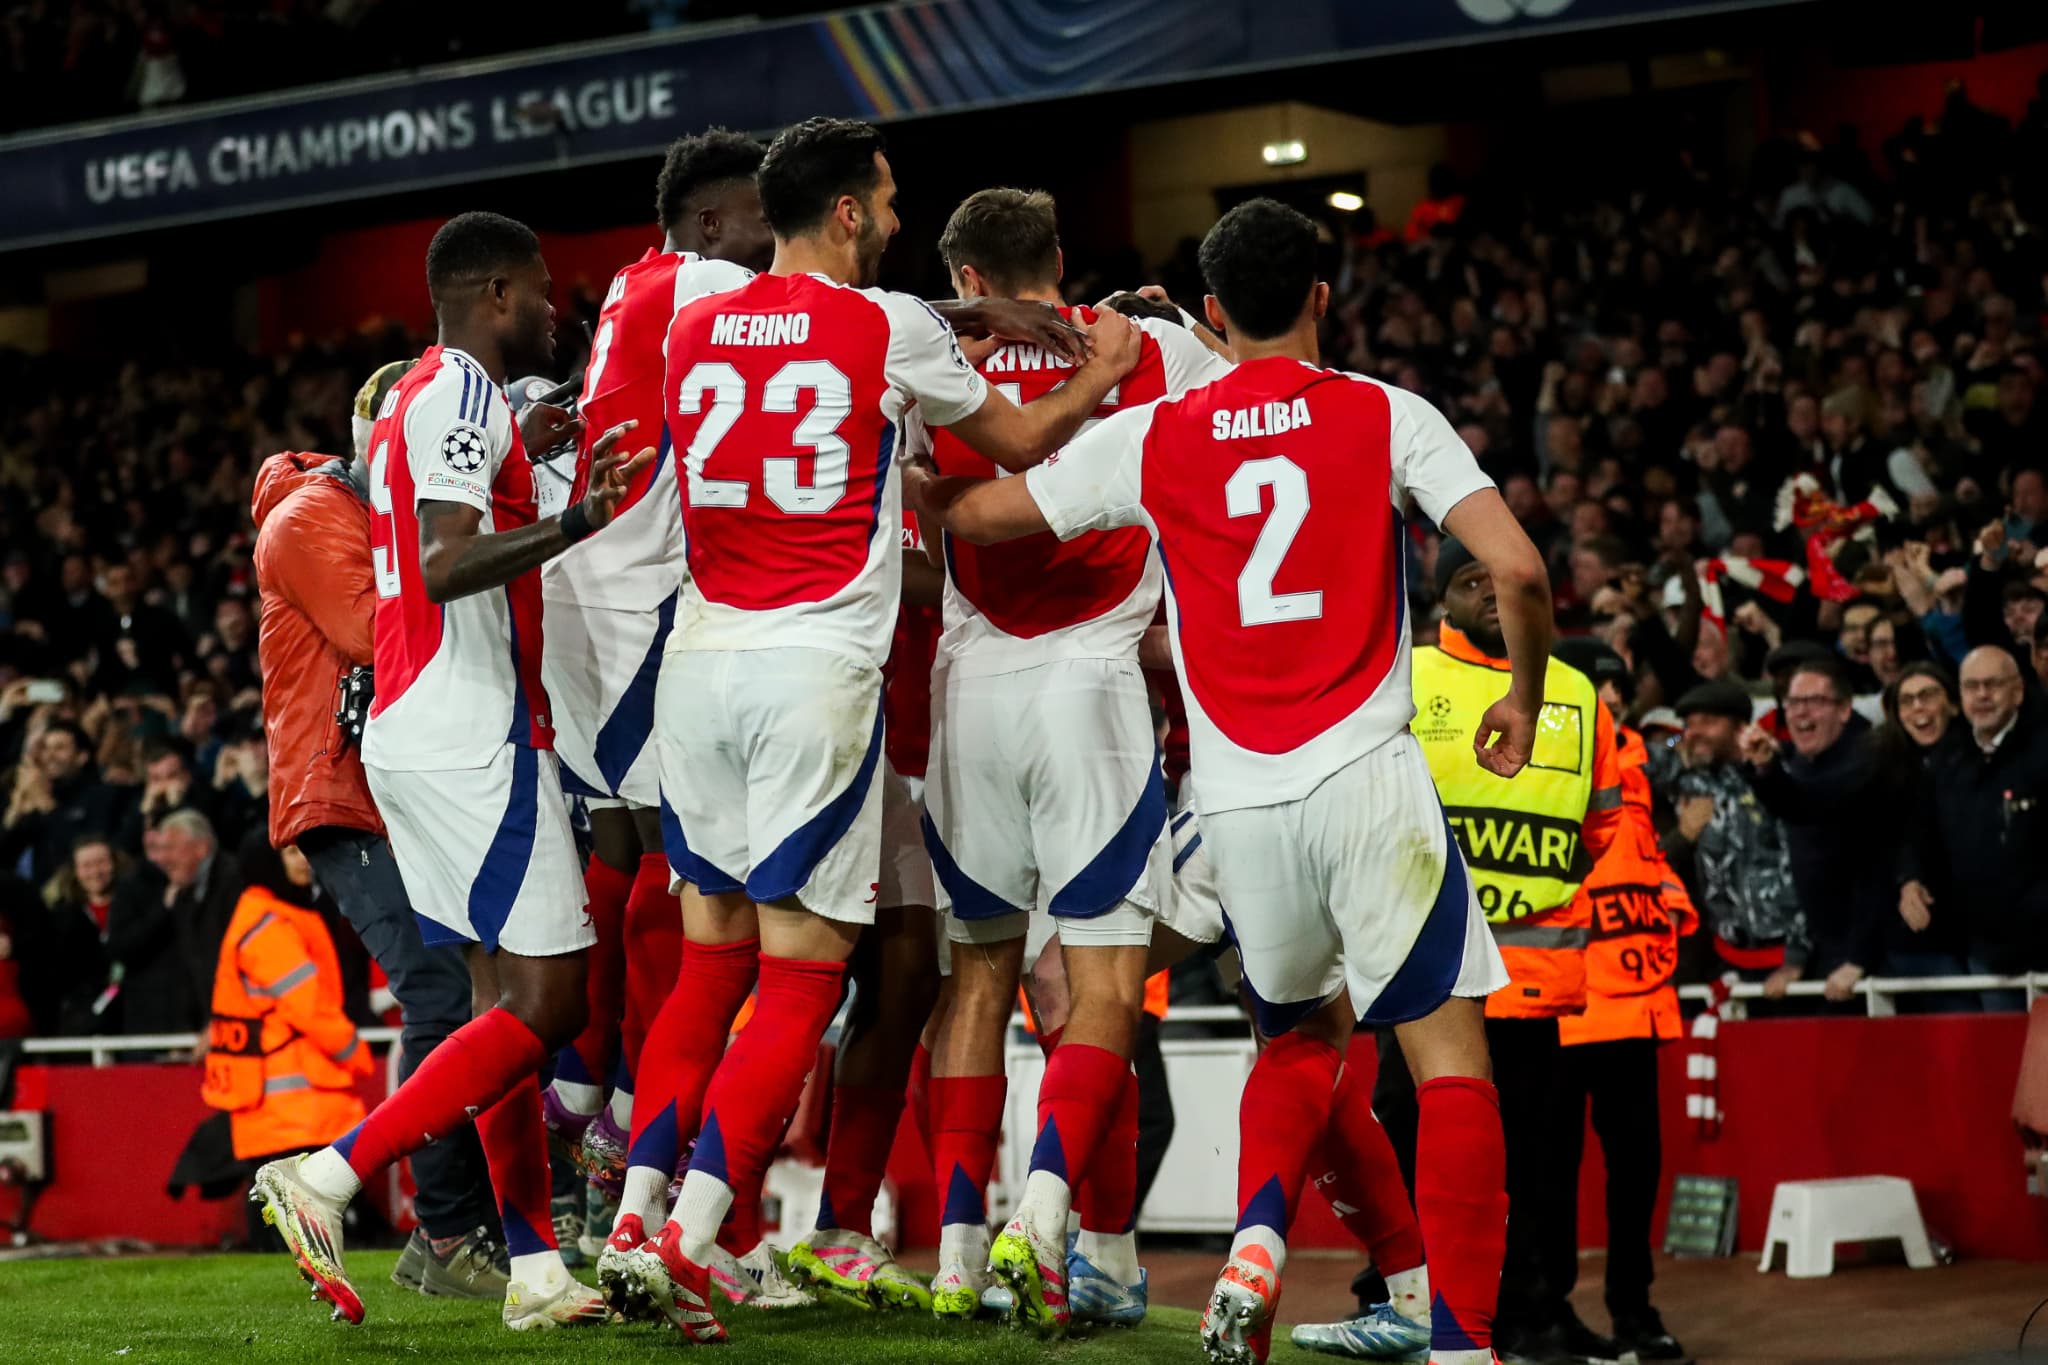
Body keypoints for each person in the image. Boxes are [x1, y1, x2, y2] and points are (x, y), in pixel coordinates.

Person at [913, 196, 1539, 1365]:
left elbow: (990, 515)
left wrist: (906, 480)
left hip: (1235, 802)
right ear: (1319, 295)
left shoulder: (1156, 431)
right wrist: (1521, 691)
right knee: (1446, 1059)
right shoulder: (1384, 412)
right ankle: (1457, 1339)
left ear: (1207, 309)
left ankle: (1240, 1251)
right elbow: (1515, 566)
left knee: (1285, 1040)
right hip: (1364, 774)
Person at [604, 118, 1141, 1345]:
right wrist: (1097, 374)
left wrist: (968, 324)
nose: (897, 221)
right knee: (803, 975)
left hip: (697, 661)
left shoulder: (694, 321)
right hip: (815, 671)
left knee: (708, 964)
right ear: (847, 211)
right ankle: (690, 1239)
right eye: (887, 203)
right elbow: (1013, 442)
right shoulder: (886, 326)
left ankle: (638, 1215)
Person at [249, 211, 652, 1331]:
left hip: (422, 730)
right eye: (537, 290)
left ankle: (531, 1270)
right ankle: (325, 1177)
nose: (553, 307)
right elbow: (443, 559)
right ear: (490, 295)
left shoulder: (424, 399)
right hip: (472, 728)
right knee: (552, 999)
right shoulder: (464, 390)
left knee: (492, 1011)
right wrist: (580, 519)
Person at [866, 186, 1230, 1328]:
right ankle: (1048, 1221)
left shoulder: (930, 358)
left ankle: (962, 1255)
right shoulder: (1153, 347)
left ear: (964, 278)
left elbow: (863, 334)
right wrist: (1187, 329)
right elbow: (1266, 378)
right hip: (1096, 688)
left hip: (967, 693)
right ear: (1060, 258)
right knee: (1103, 986)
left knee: (974, 980)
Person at [535, 130, 776, 1269]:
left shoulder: (635, 281)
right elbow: (847, 325)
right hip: (642, 615)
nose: (781, 247)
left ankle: (586, 1132)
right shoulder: (716, 280)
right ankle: (614, 1157)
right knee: (671, 904)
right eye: (763, 221)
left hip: (587, 603)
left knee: (619, 874)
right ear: (715, 222)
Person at [251, 359, 505, 1301]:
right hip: (341, 792)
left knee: (475, 988)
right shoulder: (309, 517)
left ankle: (465, 1224)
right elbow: (372, 632)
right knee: (438, 989)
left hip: (393, 780)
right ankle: (443, 1230)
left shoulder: (351, 513)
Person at [1381, 541, 1622, 1365]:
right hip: (1425, 972)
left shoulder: (1580, 692)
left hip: (1538, 974)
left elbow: (1602, 821)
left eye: (1501, 578)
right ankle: (1398, 1301)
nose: (1489, 591)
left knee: (1544, 1166)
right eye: (1467, 579)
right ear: (1441, 596)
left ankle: (1539, 1313)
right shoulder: (1405, 675)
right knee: (1418, 1150)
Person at [1550, 639, 1693, 1362]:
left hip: (1634, 1005)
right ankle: (1550, 1313)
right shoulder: (1546, 755)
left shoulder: (1637, 763)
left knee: (1636, 1170)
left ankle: (1633, 1310)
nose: (1609, 700)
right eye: (1594, 687)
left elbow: (1640, 860)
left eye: (1616, 688)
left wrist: (1669, 887)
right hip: (1564, 1003)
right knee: (1550, 1175)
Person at [201, 839, 373, 1166]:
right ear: (268, 862)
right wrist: (355, 1053)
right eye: (293, 853)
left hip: (279, 1112)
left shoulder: (262, 915)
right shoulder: (270, 925)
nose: (305, 861)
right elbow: (309, 1008)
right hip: (298, 1110)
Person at [1738, 657, 1897, 1006]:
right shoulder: (1800, 762)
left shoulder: (1868, 757)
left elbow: (1878, 868)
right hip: (1823, 955)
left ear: (1844, 709)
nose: (1799, 713)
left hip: (1876, 956)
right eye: (1793, 702)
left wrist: (1859, 957)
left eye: (1814, 702)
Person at [1900, 646, 2048, 1007]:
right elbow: (1919, 833)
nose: (1982, 695)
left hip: (2044, 946)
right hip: (1986, 953)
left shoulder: (2043, 747)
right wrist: (1910, 880)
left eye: (1993, 684)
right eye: (1971, 686)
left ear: (2018, 691)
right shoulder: (1946, 758)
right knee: (2005, 1059)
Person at [1657, 681, 1806, 993]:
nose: (1694, 732)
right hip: (1724, 959)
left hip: (1790, 960)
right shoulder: (1689, 780)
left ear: (1741, 728)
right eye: (1689, 725)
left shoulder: (1778, 775)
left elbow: (1804, 866)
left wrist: (1797, 957)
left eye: (1708, 723)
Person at [105, 808, 242, 1037]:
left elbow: (240, 963)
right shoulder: (183, 893)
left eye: (170, 849)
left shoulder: (236, 884)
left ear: (201, 848)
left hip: (240, 1024)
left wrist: (223, 1021)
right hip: (211, 1027)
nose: (162, 859)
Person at [3, 720, 130, 885]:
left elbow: (87, 854)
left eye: (60, 748)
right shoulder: (39, 800)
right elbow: (5, 858)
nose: (49, 755)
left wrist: (46, 805)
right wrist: (14, 811)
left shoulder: (105, 796)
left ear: (82, 757)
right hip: (45, 902)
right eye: (46, 748)